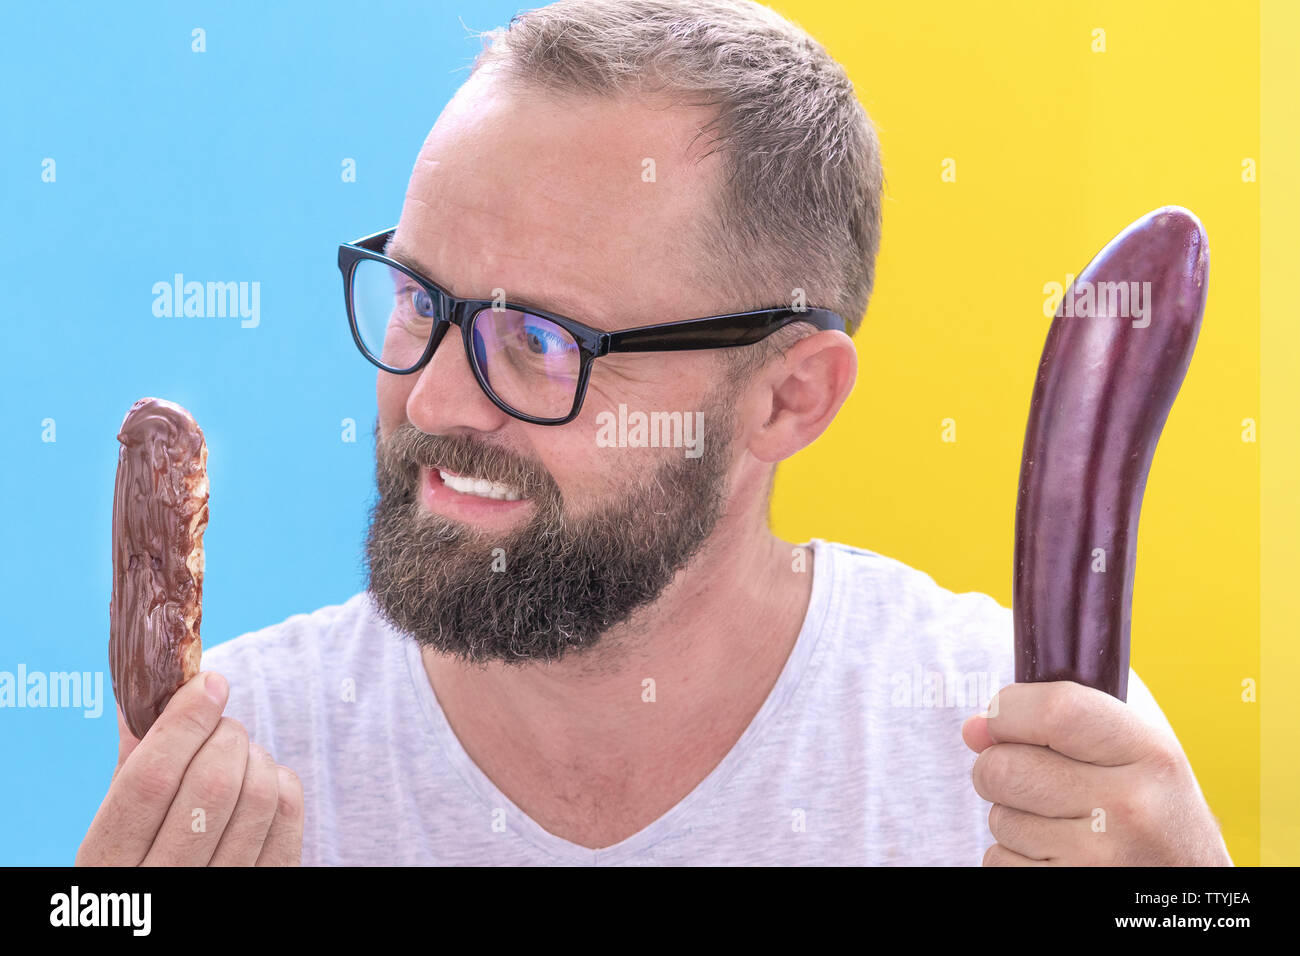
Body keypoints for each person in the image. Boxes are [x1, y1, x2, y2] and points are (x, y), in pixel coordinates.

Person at [76, 0, 1232, 866]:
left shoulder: (1029, 746)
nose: (430, 402)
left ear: (789, 396)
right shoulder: (236, 752)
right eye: (420, 298)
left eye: (540, 338)